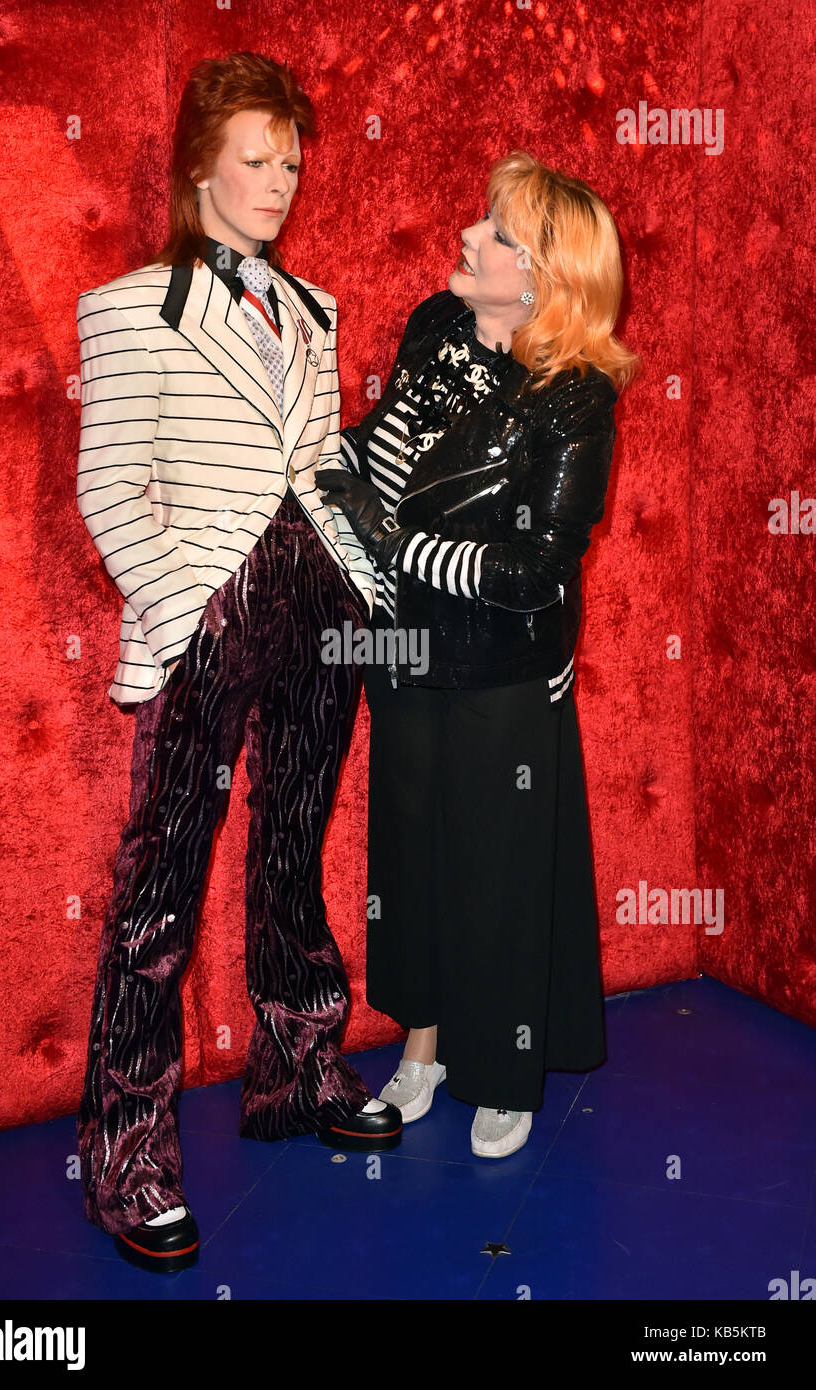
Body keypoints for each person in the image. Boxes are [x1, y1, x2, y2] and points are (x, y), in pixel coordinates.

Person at [74, 52, 401, 1275]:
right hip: (204, 615)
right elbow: (108, 490)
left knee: (294, 845)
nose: (279, 181)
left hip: (321, 607)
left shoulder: (313, 306)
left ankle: (301, 1063)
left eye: (293, 162)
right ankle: (127, 1151)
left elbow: (320, 468)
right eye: (257, 159)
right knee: (160, 887)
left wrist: (366, 595)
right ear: (199, 163)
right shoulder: (126, 307)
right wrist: (188, 607)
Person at [316, 151, 639, 1160]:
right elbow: (388, 452)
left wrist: (397, 541)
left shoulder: (575, 395)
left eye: (497, 233)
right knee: (410, 857)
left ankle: (505, 1070)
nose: (469, 235)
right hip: (406, 648)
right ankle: (423, 1048)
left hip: (504, 669)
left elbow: (535, 569)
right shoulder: (434, 324)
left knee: (496, 872)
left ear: (542, 275)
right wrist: (319, 454)